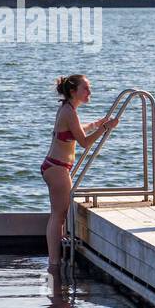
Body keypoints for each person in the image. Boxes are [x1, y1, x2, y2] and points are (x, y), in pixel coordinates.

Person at [41, 75, 118, 268]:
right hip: (56, 167)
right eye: (86, 88)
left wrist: (95, 124)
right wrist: (106, 128)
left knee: (59, 214)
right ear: (73, 91)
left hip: (56, 166)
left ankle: (55, 260)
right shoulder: (69, 111)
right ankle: (53, 262)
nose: (90, 92)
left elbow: (76, 131)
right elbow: (84, 142)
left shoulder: (68, 109)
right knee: (58, 215)